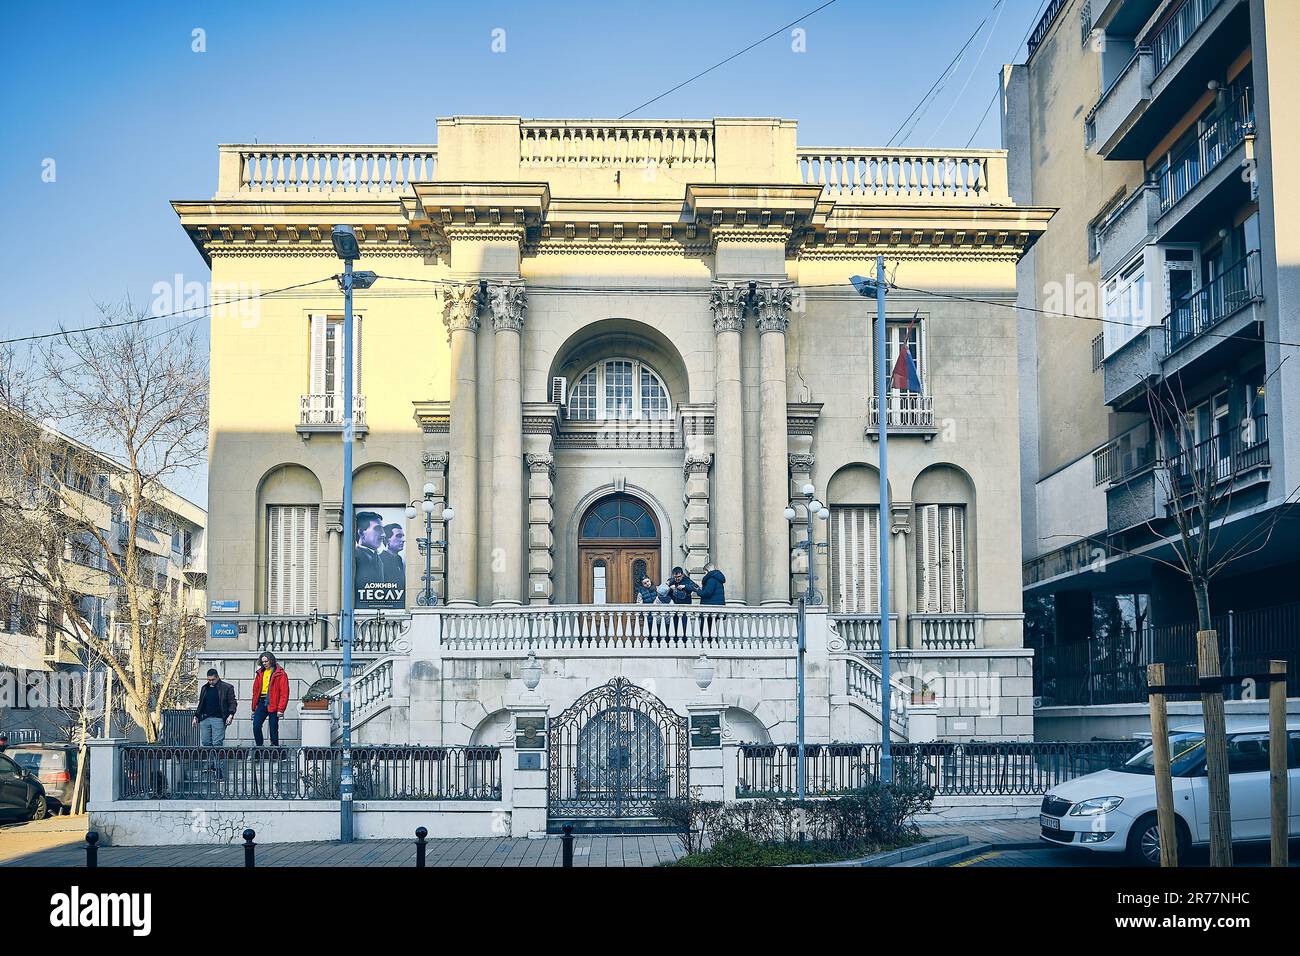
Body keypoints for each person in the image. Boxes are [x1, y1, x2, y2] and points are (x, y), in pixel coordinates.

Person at [250, 652, 289, 747]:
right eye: (263, 662)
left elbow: (284, 692)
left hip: (274, 702)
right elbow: (255, 691)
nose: (264, 663)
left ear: (271, 660)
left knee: (273, 728)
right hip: (261, 702)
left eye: (266, 661)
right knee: (256, 725)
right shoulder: (260, 673)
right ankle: (260, 746)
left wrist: (281, 709)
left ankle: (274, 748)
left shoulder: (280, 673)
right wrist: (254, 707)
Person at [192, 668, 237, 746]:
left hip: (219, 718)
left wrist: (230, 715)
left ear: (217, 677)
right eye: (209, 680)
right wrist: (196, 716)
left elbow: (232, 703)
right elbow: (201, 704)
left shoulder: (227, 687)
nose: (211, 682)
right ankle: (210, 758)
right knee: (205, 743)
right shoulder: (205, 688)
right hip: (205, 718)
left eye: (213, 679)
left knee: (217, 743)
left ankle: (216, 758)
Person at [353, 511, 386, 593]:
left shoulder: (377, 558)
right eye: (378, 529)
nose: (383, 534)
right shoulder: (354, 556)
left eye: (383, 529)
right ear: (361, 532)